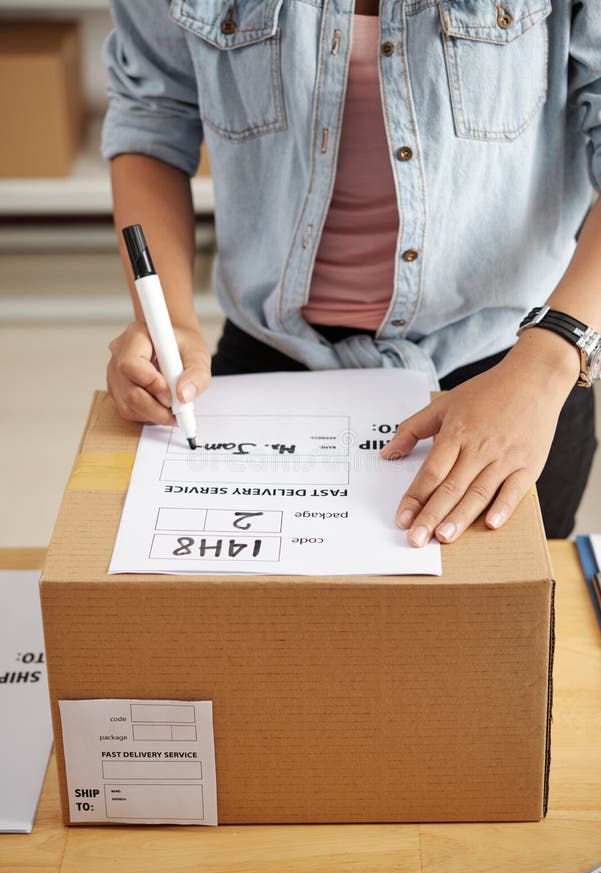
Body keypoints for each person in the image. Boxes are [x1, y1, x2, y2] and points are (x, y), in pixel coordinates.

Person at [102, 0, 601, 546]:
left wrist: (550, 360)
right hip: (272, 358)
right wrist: (171, 323)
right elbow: (151, 119)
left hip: (518, 365)